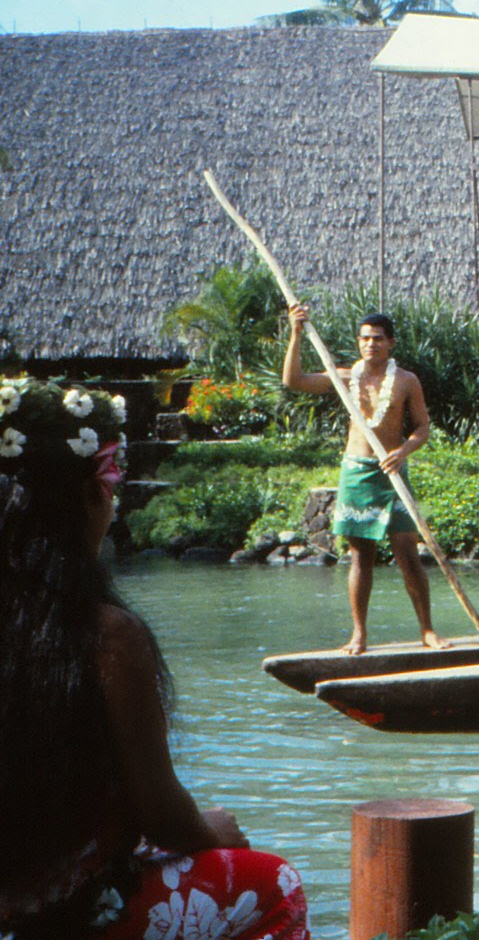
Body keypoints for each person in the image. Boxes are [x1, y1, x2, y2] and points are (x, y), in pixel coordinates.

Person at [0, 379, 309, 939]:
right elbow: (162, 815)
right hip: (70, 910)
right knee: (274, 883)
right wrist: (211, 829)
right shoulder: (106, 636)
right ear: (92, 496)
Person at [284, 304, 447, 655]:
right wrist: (296, 333)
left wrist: (403, 451)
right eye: (365, 339)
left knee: (407, 551)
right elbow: (293, 381)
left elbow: (422, 428)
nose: (370, 344)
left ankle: (427, 630)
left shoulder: (406, 380)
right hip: (357, 471)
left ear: (391, 343)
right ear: (358, 343)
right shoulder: (344, 377)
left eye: (377, 339)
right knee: (361, 555)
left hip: (392, 471)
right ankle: (359, 634)